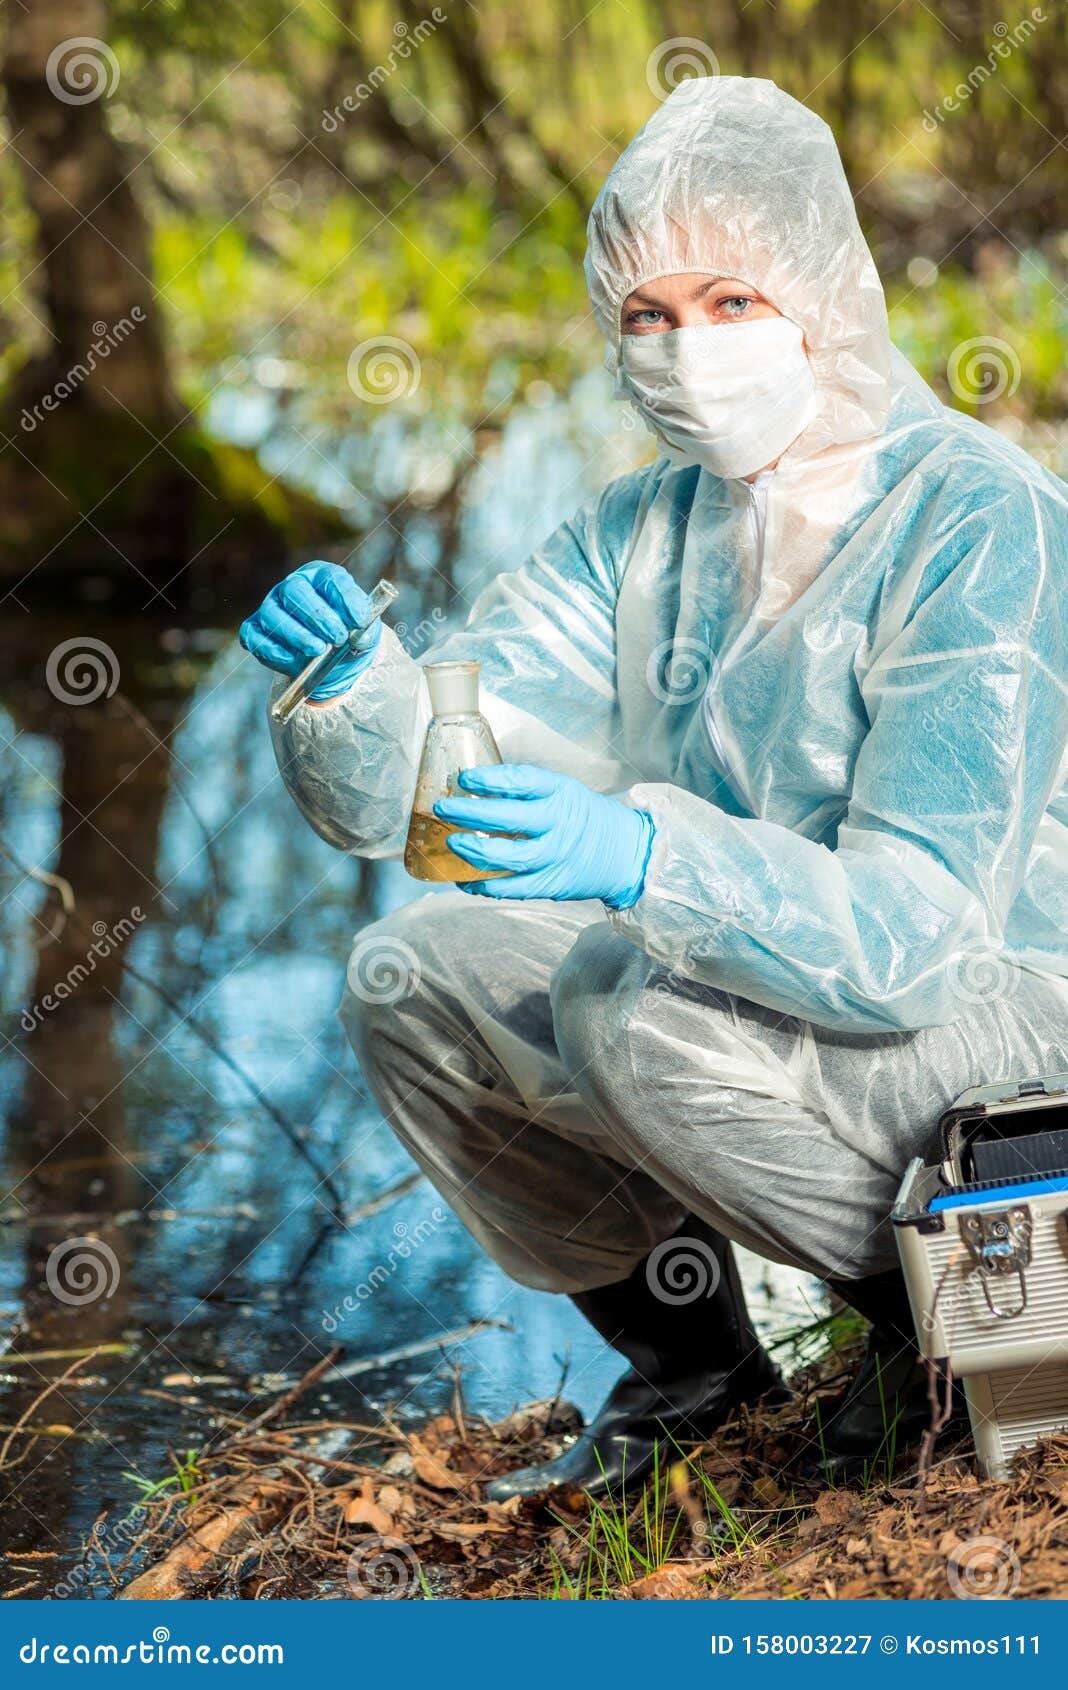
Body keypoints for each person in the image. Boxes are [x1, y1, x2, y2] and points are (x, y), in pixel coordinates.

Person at [241, 77, 1068, 1496]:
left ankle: (977, 1344)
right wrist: (351, 687)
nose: (688, 351)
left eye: (730, 302)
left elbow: (917, 933)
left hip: (1005, 1016)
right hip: (764, 986)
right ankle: (693, 1372)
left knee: (624, 997)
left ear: (822, 296)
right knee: (414, 973)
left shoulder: (978, 515)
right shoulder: (641, 532)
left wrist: (641, 856)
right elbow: (416, 782)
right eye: (648, 315)